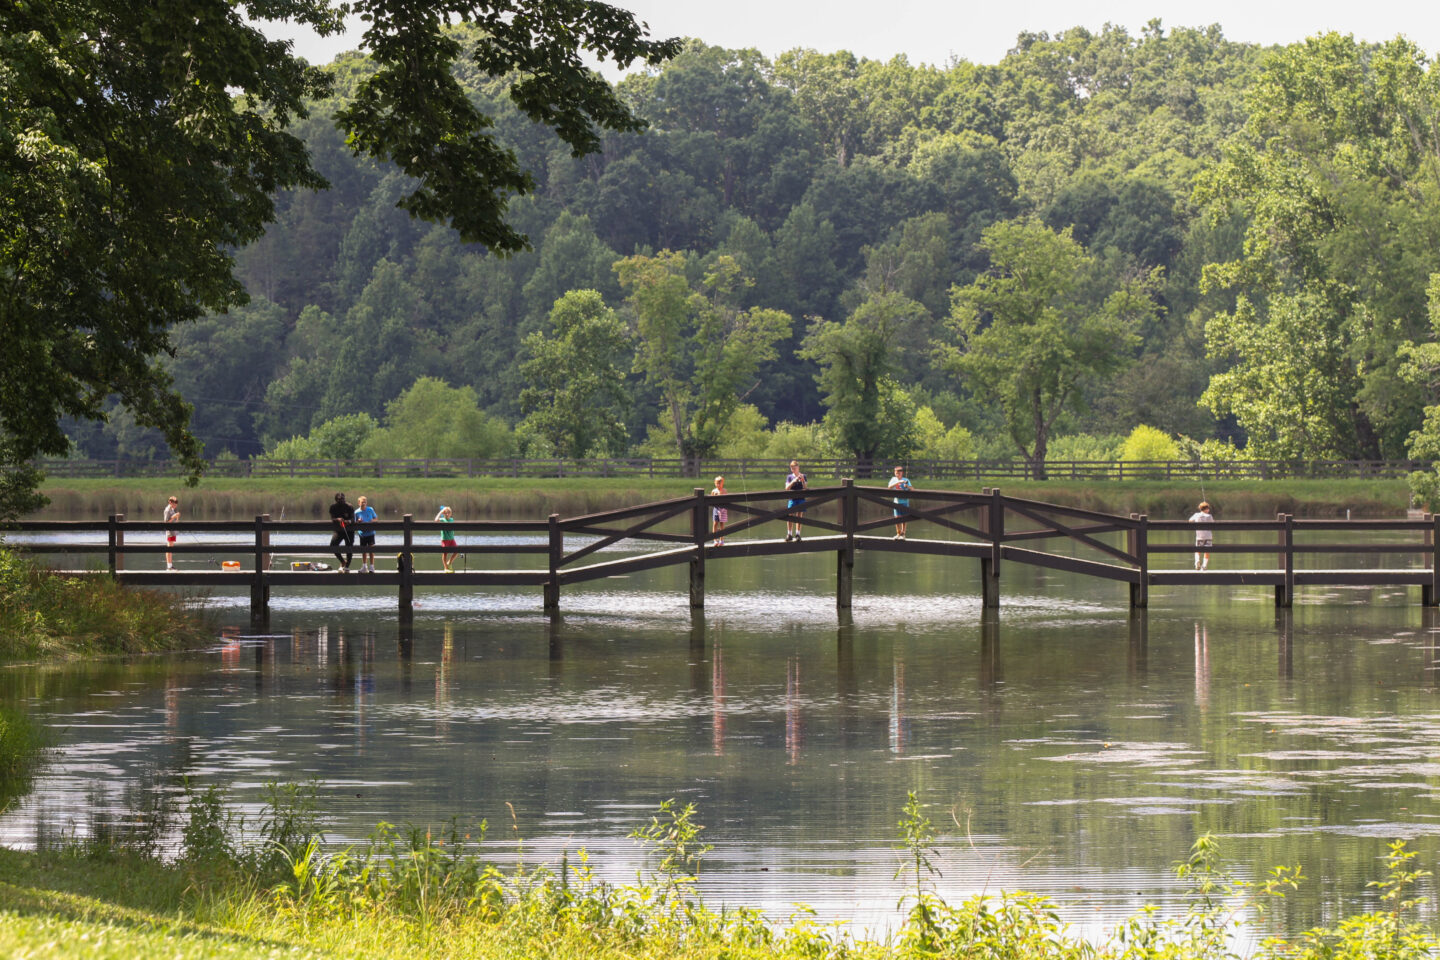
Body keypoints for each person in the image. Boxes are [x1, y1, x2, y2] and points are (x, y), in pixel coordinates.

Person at [329, 492, 355, 573]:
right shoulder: (333, 507)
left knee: (349, 547)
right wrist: (338, 519)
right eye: (340, 499)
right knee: (333, 545)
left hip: (349, 531)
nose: (342, 500)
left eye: (343, 499)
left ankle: (347, 566)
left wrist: (348, 521)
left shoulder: (349, 506)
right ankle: (343, 561)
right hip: (338, 531)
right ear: (336, 500)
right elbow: (332, 519)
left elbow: (353, 519)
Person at [353, 495, 378, 573]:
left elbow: (376, 519)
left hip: (370, 533)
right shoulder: (356, 512)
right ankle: (364, 567)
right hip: (362, 534)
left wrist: (371, 521)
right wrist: (358, 522)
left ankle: (372, 567)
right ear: (359, 503)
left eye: (365, 502)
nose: (364, 504)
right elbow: (354, 523)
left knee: (371, 550)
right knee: (363, 550)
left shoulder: (370, 509)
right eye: (362, 502)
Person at [784, 460, 807, 541]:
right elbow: (786, 488)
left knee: (799, 516)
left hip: (801, 498)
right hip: (792, 499)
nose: (793, 470)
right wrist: (793, 481)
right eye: (792, 468)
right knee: (790, 515)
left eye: (795, 468)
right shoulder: (789, 477)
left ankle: (798, 534)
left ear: (798, 467)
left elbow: (805, 487)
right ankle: (789, 534)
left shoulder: (803, 475)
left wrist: (803, 480)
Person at [888, 465, 912, 540]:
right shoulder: (893, 479)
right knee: (897, 518)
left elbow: (912, 489)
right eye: (897, 471)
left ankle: (903, 534)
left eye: (900, 471)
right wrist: (898, 482)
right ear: (895, 472)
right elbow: (889, 487)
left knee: (904, 518)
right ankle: (898, 533)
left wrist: (907, 486)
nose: (899, 472)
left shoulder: (906, 479)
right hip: (896, 502)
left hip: (905, 501)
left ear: (902, 472)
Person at [1189, 500, 1214, 571]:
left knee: (1197, 550)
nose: (1209, 510)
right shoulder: (1209, 516)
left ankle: (1197, 561)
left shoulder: (1196, 515)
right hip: (1208, 536)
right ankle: (1204, 565)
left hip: (1199, 536)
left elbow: (1190, 520)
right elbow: (1213, 523)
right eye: (1208, 508)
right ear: (1206, 509)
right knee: (1207, 551)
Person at [436, 505, 458, 572]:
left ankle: (449, 563)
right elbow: (436, 520)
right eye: (445, 513)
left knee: (456, 551)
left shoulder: (452, 519)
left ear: (451, 514)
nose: (447, 514)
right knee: (445, 553)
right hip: (445, 539)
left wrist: (444, 511)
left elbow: (449, 523)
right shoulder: (442, 520)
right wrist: (441, 512)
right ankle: (445, 567)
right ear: (443, 514)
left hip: (451, 539)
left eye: (448, 512)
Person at [163, 495, 180, 570]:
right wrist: (174, 516)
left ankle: (170, 565)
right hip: (170, 531)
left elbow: (174, 520)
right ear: (170, 502)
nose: (175, 505)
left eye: (176, 504)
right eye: (174, 503)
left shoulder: (171, 509)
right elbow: (166, 522)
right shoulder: (167, 510)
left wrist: (177, 517)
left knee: (171, 548)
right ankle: (169, 566)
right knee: (169, 548)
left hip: (173, 531)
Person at [710, 476, 728, 546]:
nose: (718, 485)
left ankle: (721, 540)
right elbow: (710, 500)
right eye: (717, 483)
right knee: (715, 524)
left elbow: (726, 499)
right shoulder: (714, 491)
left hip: (723, 509)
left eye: (719, 483)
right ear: (714, 483)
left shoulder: (724, 490)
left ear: (722, 483)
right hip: (716, 509)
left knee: (722, 524)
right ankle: (715, 540)